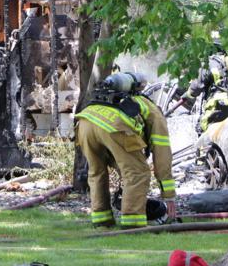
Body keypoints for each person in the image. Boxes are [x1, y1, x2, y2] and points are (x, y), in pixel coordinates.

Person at [75, 72, 176, 229]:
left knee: (96, 171)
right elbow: (162, 152)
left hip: (85, 122)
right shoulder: (151, 108)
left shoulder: (107, 97)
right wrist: (169, 195)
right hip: (114, 126)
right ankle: (132, 223)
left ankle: (102, 220)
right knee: (137, 172)